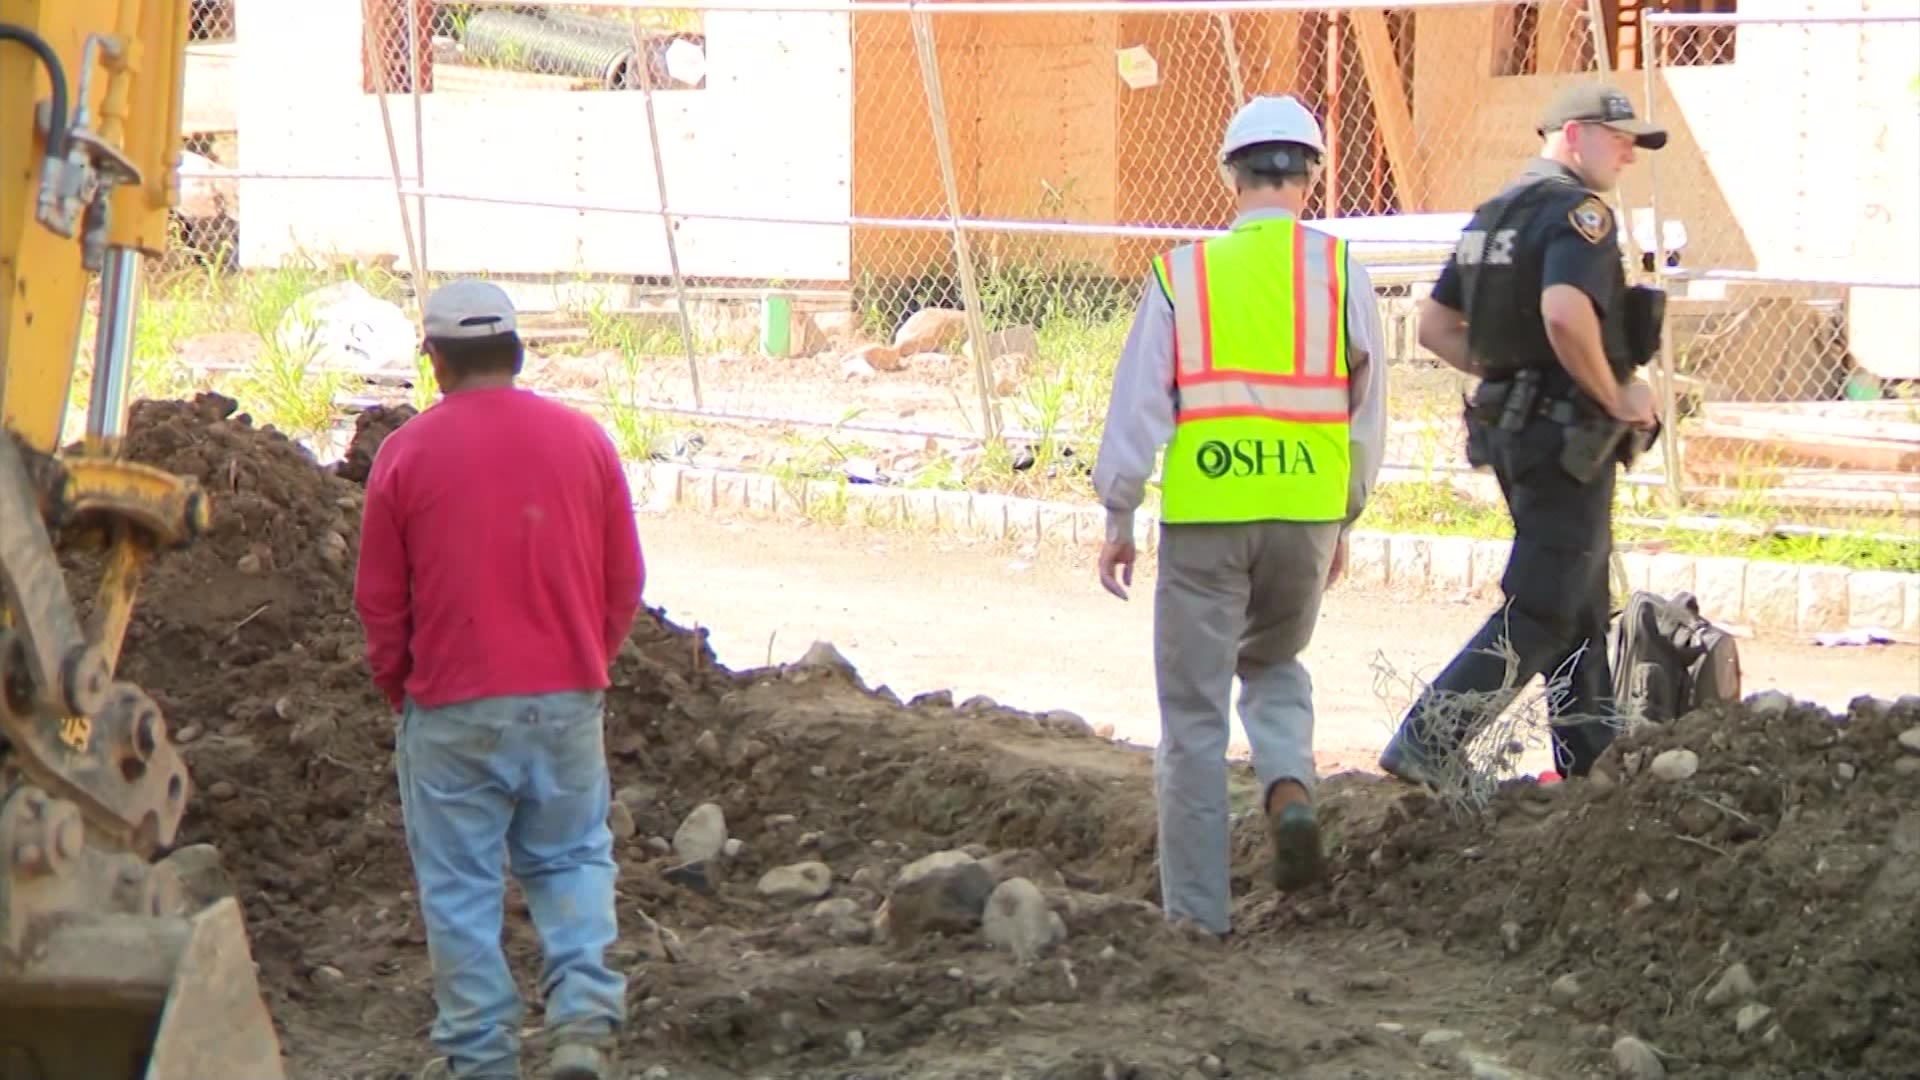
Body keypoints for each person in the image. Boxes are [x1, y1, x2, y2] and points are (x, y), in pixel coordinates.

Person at [1092, 95, 1389, 938]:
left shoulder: (1183, 275)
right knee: (1275, 661)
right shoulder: (1342, 273)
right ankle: (1288, 786)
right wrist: (1343, 517)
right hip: (1305, 513)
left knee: (1192, 720)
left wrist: (1119, 512)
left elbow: (1139, 405)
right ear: (1310, 178)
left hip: (1208, 519)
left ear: (1232, 176)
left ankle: (1198, 920)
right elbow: (1367, 412)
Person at [354, 279, 645, 1080]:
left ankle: (481, 1057)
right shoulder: (584, 441)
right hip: (566, 697)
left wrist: (402, 689)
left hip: (452, 706)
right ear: (516, 353)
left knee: (460, 887)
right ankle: (582, 1025)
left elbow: (381, 601)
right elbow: (624, 579)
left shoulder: (405, 454)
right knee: (572, 857)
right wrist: (585, 660)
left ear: (436, 361)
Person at [1378, 82, 1666, 790]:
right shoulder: (1579, 215)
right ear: (1572, 135)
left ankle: (1590, 764)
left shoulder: (1493, 216)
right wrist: (1615, 396)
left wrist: (1515, 377)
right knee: (1545, 605)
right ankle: (1429, 738)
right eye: (1617, 138)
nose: (1628, 154)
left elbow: (1435, 327)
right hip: (1567, 440)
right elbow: (1565, 313)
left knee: (1579, 600)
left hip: (1515, 431)